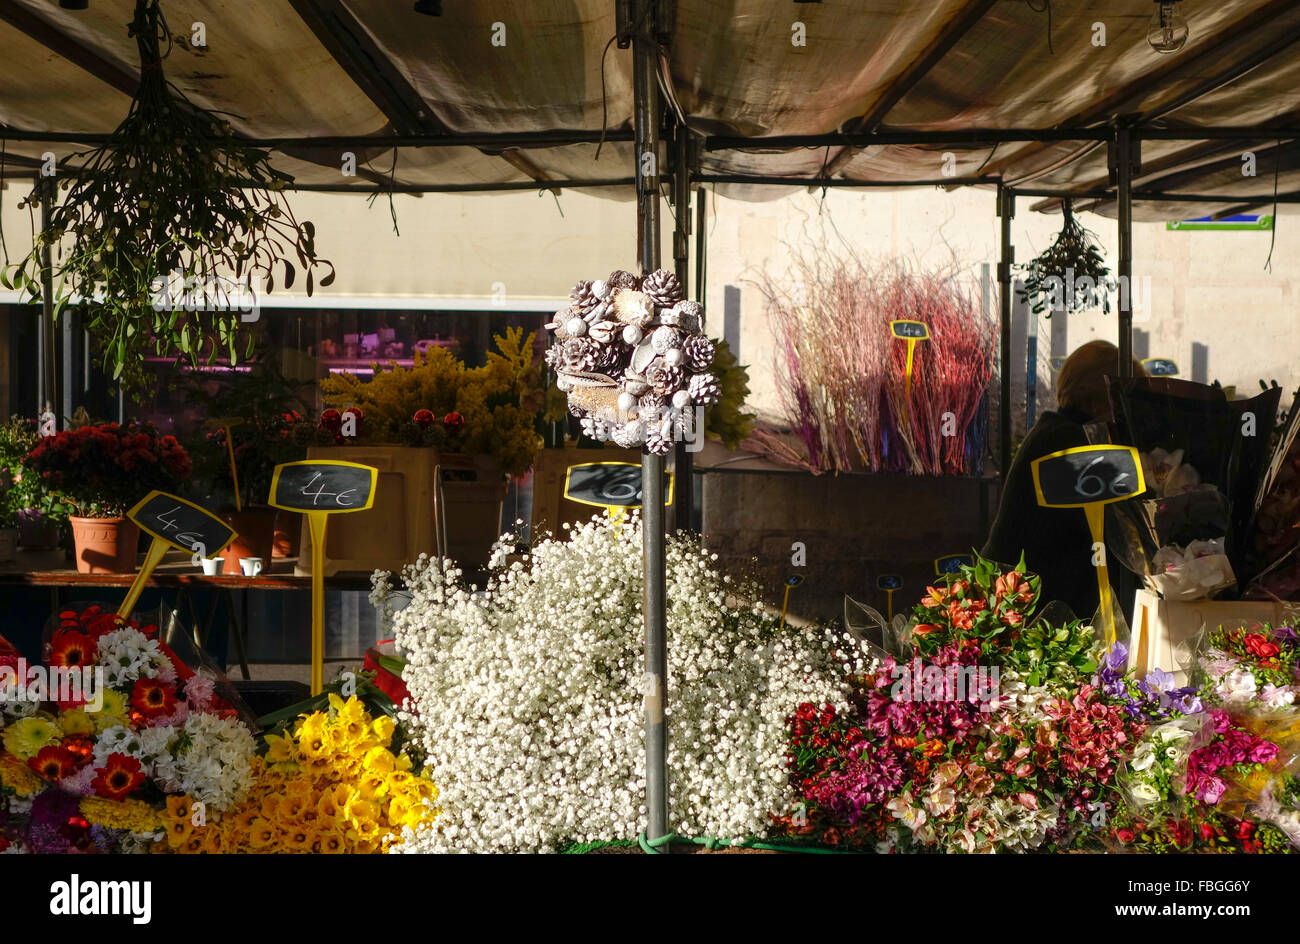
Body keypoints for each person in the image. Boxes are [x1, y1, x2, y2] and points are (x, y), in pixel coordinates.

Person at [982, 341, 1145, 621]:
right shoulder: (1066, 441)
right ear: (1095, 400)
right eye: (1125, 402)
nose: (1131, 414)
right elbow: (1127, 517)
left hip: (1028, 600)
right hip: (1023, 611)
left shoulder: (1056, 431)